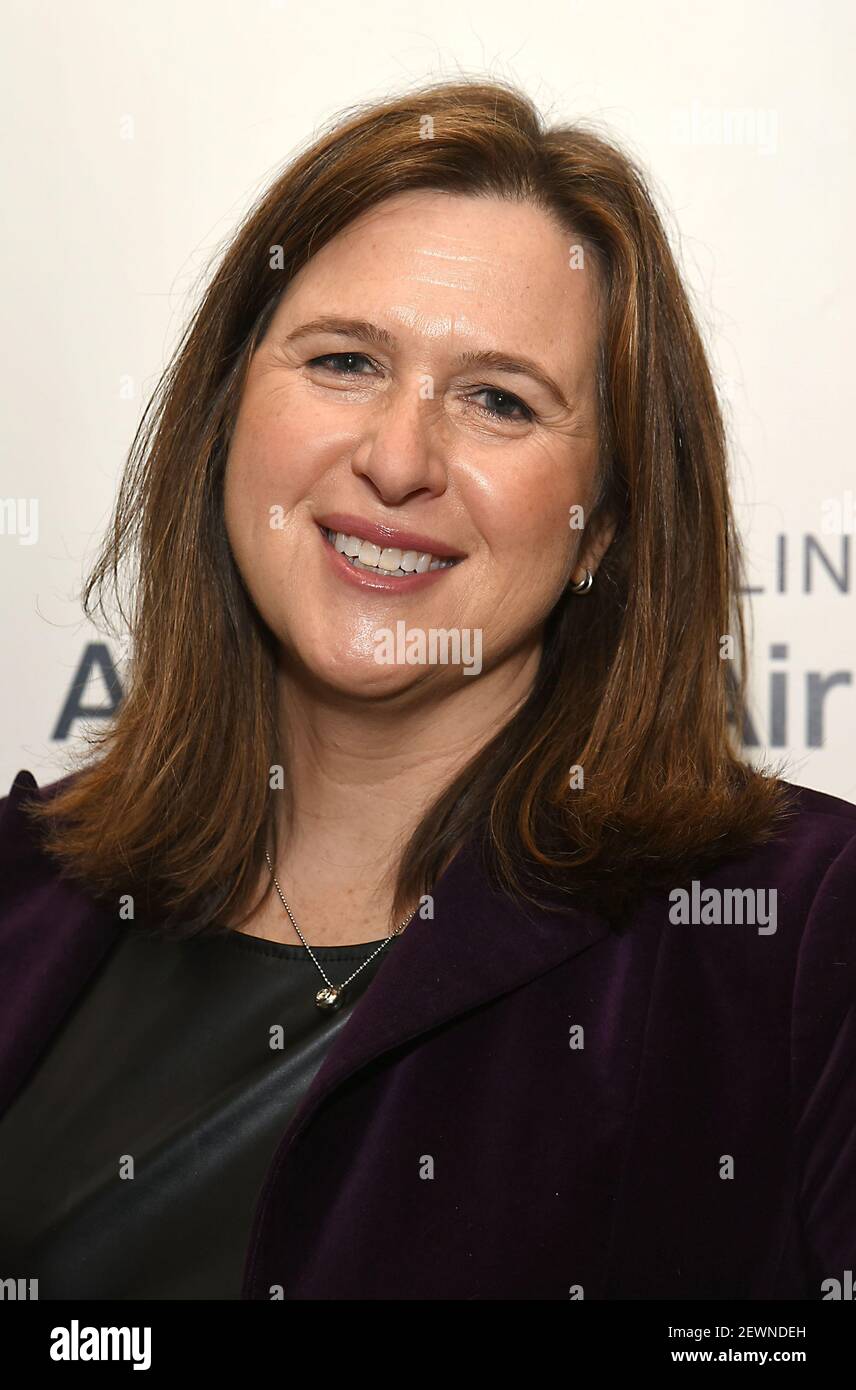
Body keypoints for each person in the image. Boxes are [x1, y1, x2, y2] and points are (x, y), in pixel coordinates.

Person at [1, 77, 854, 1301]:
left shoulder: (798, 938)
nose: (397, 460)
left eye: (499, 400)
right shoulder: (24, 893)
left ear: (604, 521)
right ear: (227, 418)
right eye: (344, 361)